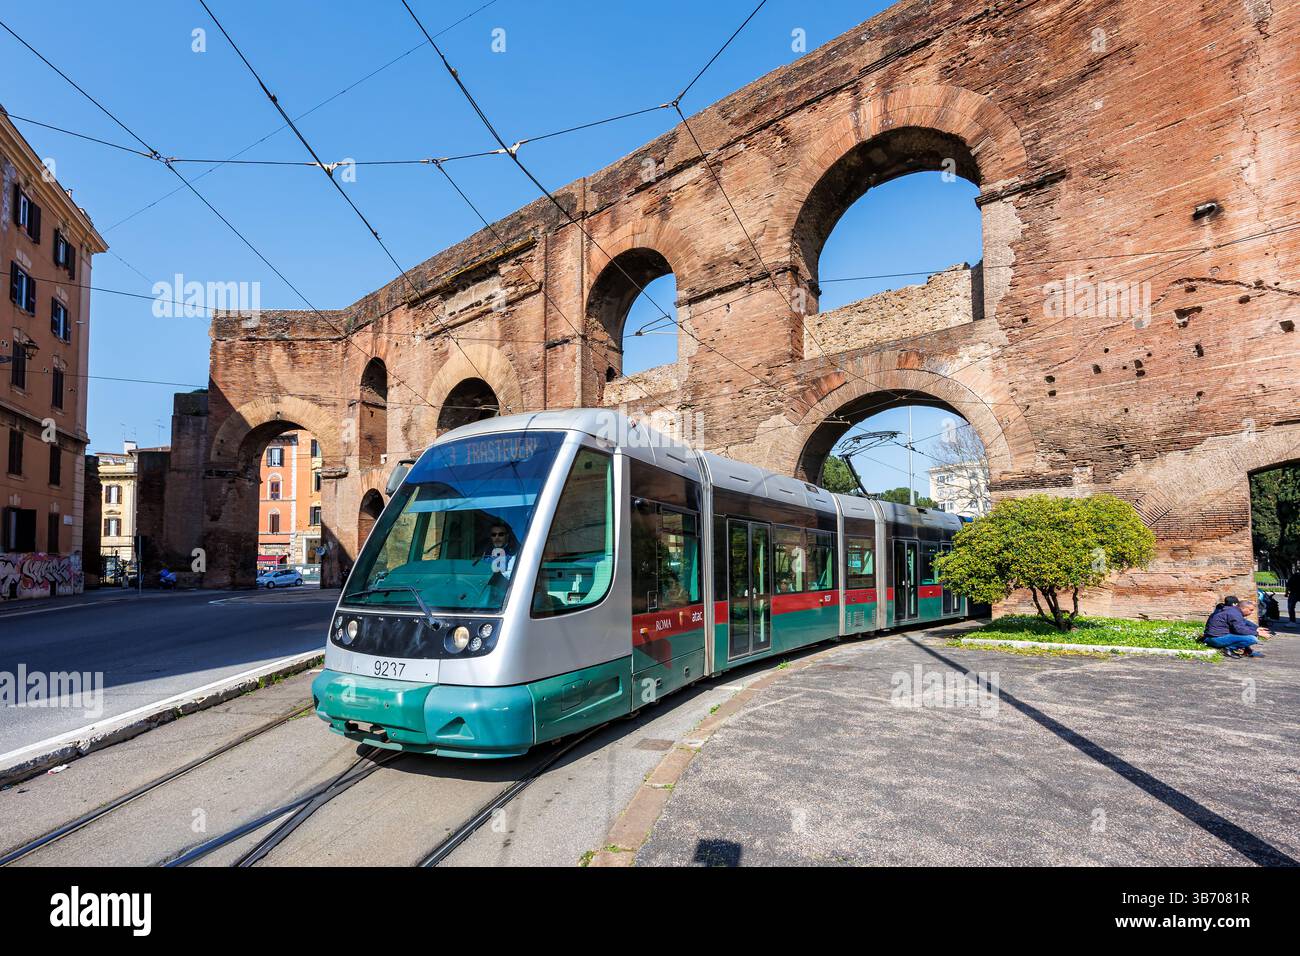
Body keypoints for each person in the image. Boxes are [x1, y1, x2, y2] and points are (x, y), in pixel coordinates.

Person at [1202, 595, 1267, 658]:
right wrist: (1257, 633)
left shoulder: (1232, 611)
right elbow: (1240, 630)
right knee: (1252, 639)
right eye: (1251, 610)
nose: (1252, 612)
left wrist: (1256, 628)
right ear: (1244, 608)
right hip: (1214, 639)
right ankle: (1228, 649)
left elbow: (1244, 622)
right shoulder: (1234, 613)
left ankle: (1247, 650)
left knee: (1249, 633)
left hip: (1210, 637)